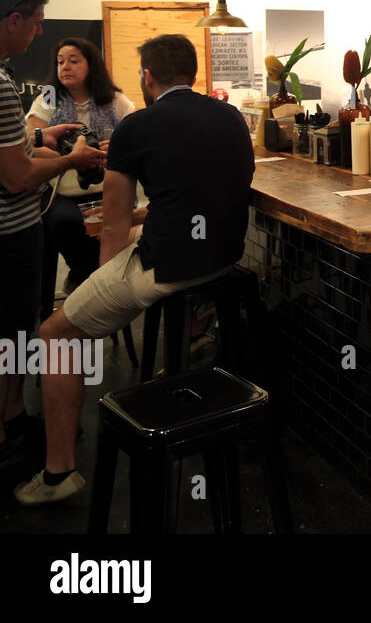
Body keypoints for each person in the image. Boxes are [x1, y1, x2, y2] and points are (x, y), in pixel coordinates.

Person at [15, 34, 255, 505]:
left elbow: (113, 223)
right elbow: (203, 192)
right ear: (192, 74)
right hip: (224, 257)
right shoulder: (230, 117)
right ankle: (190, 345)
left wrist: (105, 283)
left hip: (170, 266)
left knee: (55, 332)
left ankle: (59, 471)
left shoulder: (136, 126)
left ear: (147, 77)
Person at [0, 0, 106, 478]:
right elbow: (17, 176)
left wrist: (41, 136)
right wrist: (71, 161)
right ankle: (9, 431)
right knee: (13, 331)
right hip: (12, 235)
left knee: (18, 327)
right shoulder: (2, 86)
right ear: (13, 21)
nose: (40, 36)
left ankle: (14, 418)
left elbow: (15, 154)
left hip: (23, 230)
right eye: (37, 24)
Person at [26, 38, 134, 318]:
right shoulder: (49, 96)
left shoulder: (114, 99)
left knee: (109, 223)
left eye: (74, 60)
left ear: (92, 64)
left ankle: (92, 286)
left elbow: (134, 142)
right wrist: (71, 160)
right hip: (62, 192)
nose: (65, 67)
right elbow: (31, 146)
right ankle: (86, 281)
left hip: (108, 188)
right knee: (64, 222)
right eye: (60, 61)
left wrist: (115, 152)